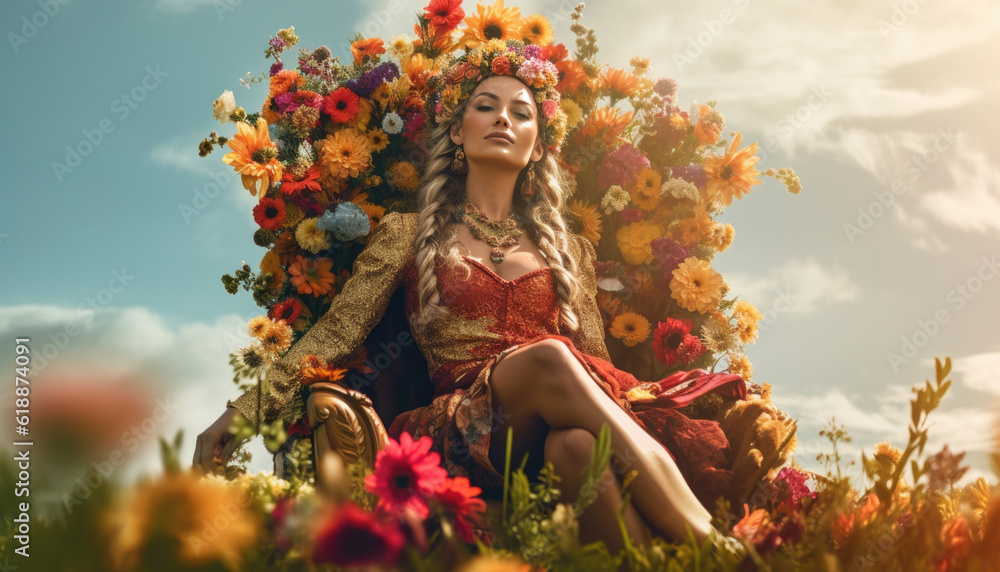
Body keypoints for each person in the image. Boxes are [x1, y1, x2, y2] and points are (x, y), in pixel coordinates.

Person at [195, 42, 747, 558]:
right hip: (459, 432)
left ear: (537, 147)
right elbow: (336, 334)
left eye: (522, 112)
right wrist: (239, 415)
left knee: (578, 449)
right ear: (458, 132)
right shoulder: (408, 234)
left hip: (546, 430)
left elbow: (594, 362)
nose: (505, 118)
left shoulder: (569, 249)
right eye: (487, 106)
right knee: (551, 357)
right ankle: (718, 549)